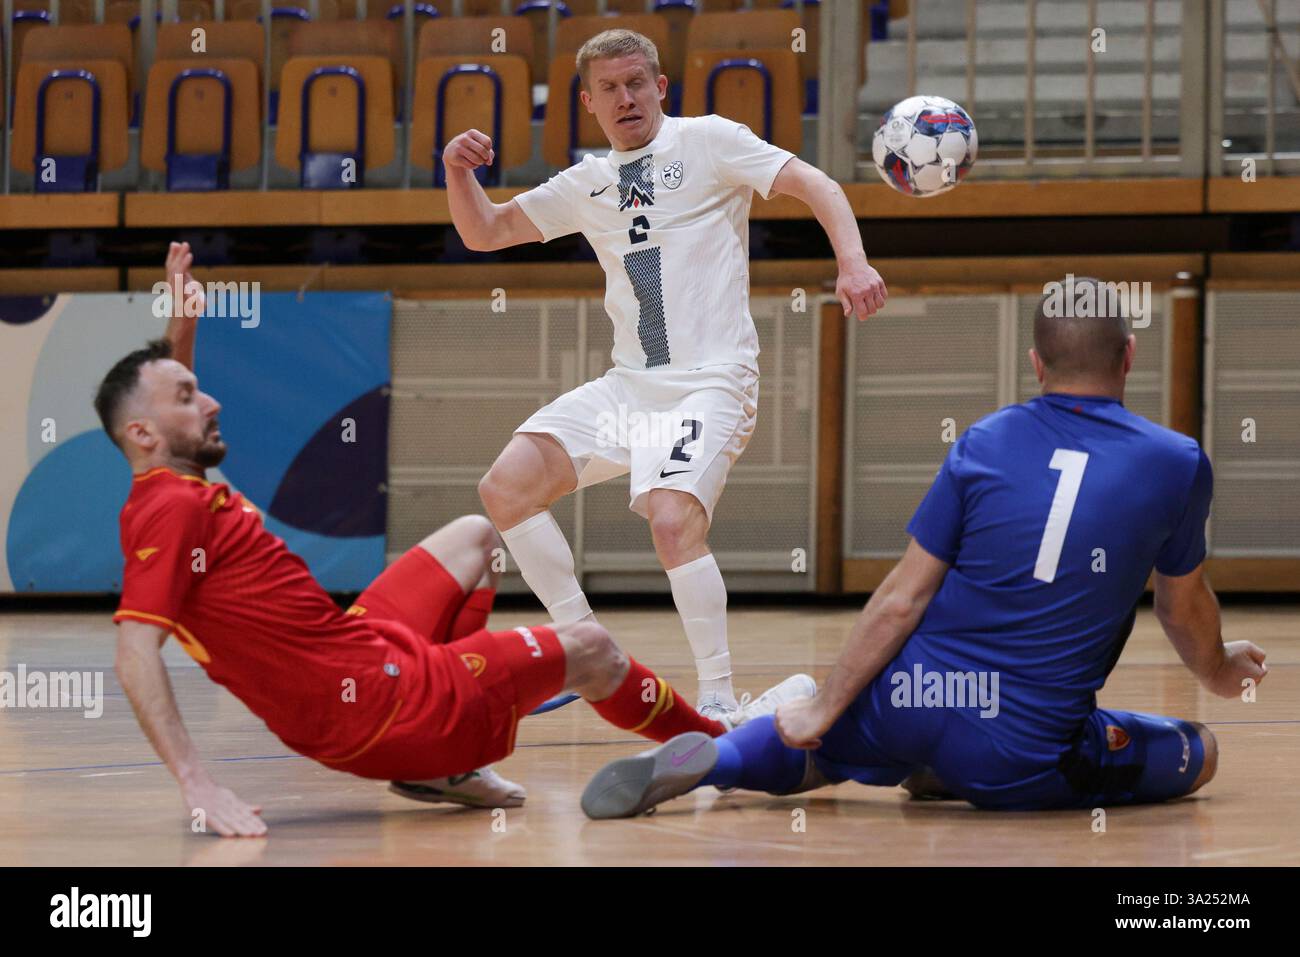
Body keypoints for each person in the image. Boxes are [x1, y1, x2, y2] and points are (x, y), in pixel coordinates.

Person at [101, 243, 811, 837]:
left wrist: (182, 326)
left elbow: (159, 401)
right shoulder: (170, 513)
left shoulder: (168, 480)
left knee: (478, 536)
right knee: (593, 651)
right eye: (190, 397)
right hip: (373, 706)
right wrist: (197, 785)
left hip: (356, 647)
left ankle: (445, 761)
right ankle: (731, 750)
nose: (213, 398)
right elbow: (135, 652)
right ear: (145, 433)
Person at [581, 276, 1269, 819]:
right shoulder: (1176, 462)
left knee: (826, 748)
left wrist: (826, 705)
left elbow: (902, 596)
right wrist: (1216, 668)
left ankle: (724, 760)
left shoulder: (984, 442)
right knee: (1199, 751)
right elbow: (1180, 607)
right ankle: (952, 770)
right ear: (1129, 356)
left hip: (915, 694)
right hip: (1020, 749)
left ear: (1036, 363)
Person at [443, 28, 886, 722]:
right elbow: (485, 232)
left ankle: (717, 702)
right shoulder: (586, 182)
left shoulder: (708, 140)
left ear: (660, 88)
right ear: (588, 102)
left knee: (673, 520)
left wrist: (852, 261)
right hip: (631, 388)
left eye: (637, 83)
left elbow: (817, 183)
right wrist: (458, 173)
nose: (626, 99)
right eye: (610, 89)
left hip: (712, 381)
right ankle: (580, 643)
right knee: (505, 487)